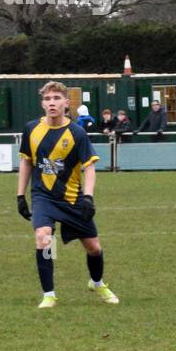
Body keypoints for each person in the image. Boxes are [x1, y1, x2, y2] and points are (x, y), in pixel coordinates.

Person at [16, 80, 119, 309]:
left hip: (72, 198)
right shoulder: (31, 129)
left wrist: (88, 197)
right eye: (47, 99)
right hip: (43, 196)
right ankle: (49, 294)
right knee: (44, 238)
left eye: (56, 98)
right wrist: (20, 196)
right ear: (42, 104)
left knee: (93, 247)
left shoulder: (77, 132)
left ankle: (97, 282)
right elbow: (26, 162)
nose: (51, 103)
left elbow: (89, 166)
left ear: (66, 102)